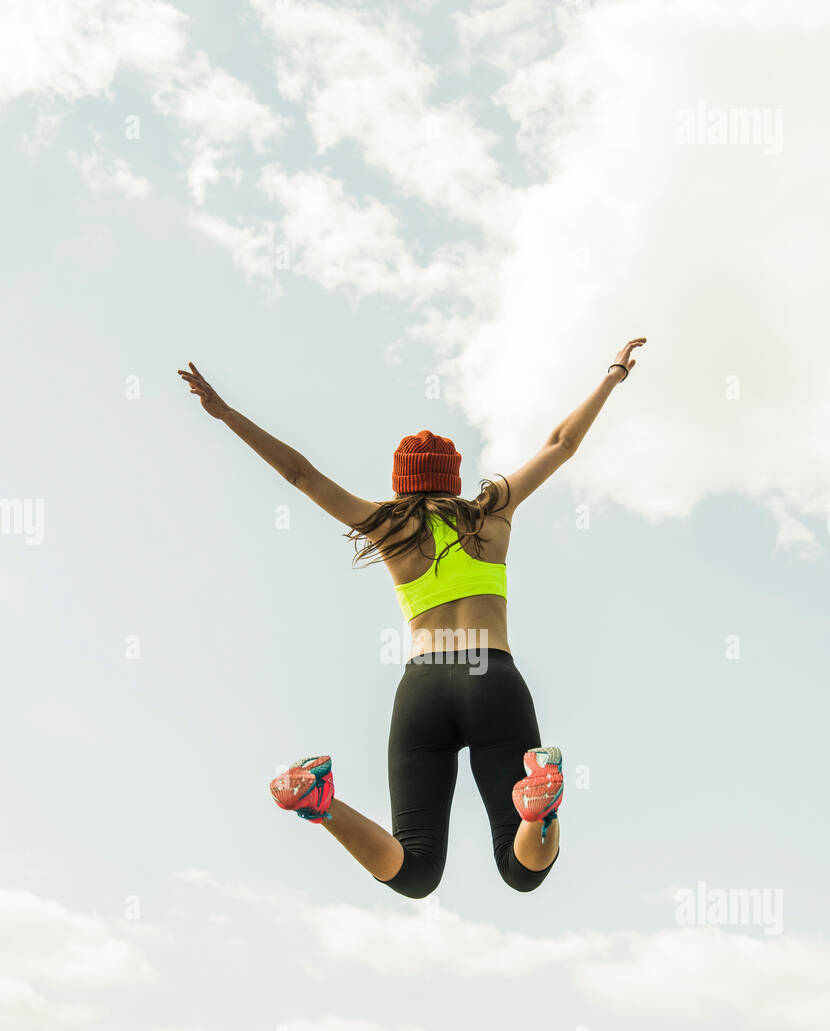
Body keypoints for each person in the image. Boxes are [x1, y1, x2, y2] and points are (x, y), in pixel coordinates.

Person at [178, 338, 646, 899]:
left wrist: (227, 414)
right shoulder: (489, 513)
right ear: (452, 477)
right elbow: (562, 443)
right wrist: (612, 375)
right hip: (490, 675)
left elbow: (300, 474)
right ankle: (535, 811)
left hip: (423, 687)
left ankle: (321, 802)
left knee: (418, 870)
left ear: (403, 480)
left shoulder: (387, 525)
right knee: (523, 872)